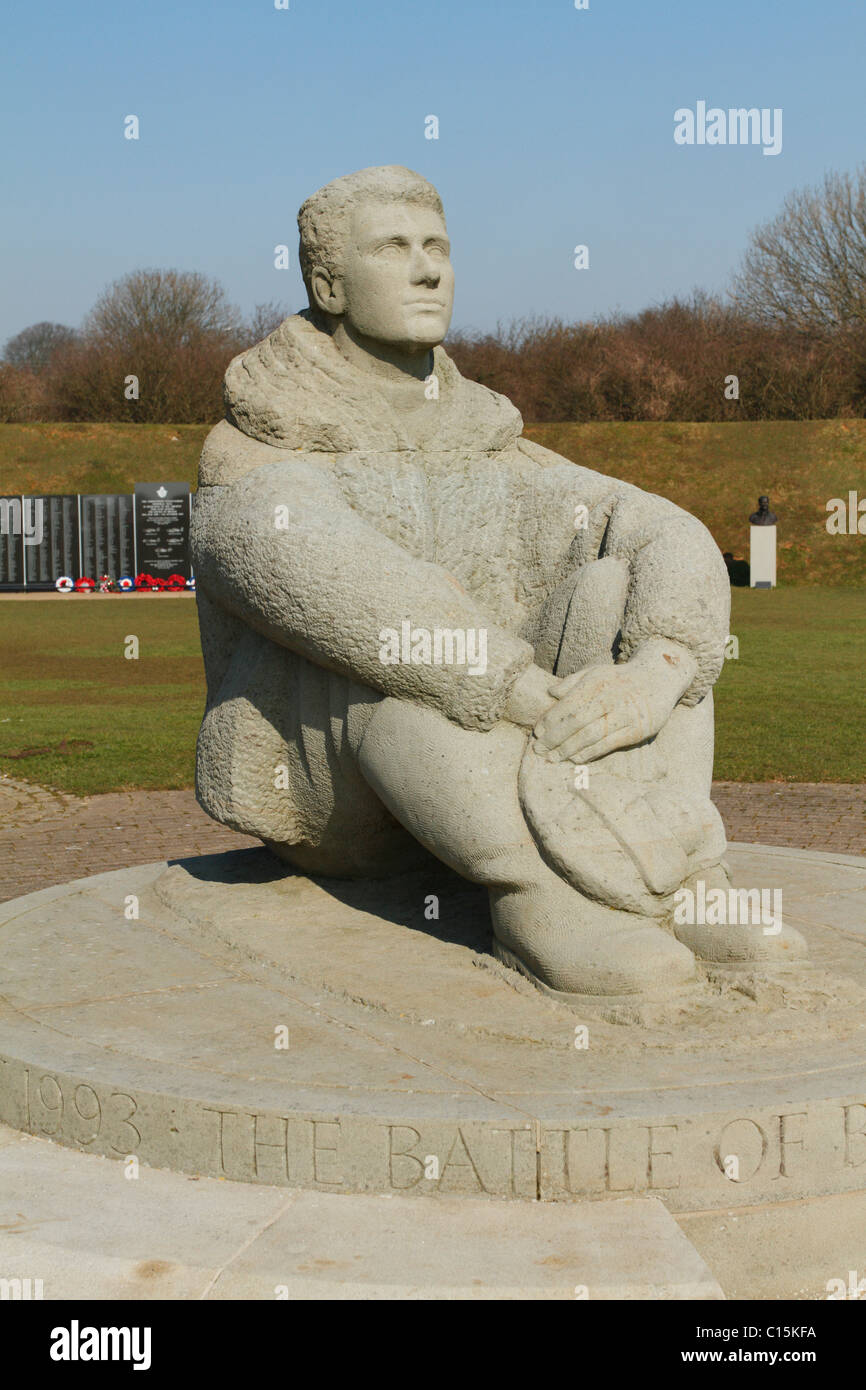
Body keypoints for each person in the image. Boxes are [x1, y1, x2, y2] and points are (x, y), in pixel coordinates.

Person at [191, 166, 804, 999]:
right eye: (395, 249)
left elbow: (653, 523)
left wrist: (655, 671)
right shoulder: (254, 450)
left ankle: (682, 878)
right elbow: (335, 579)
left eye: (437, 248)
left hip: (512, 740)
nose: (428, 270)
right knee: (390, 668)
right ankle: (539, 898)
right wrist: (522, 692)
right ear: (329, 284)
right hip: (344, 802)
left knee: (629, 600)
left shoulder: (481, 432)